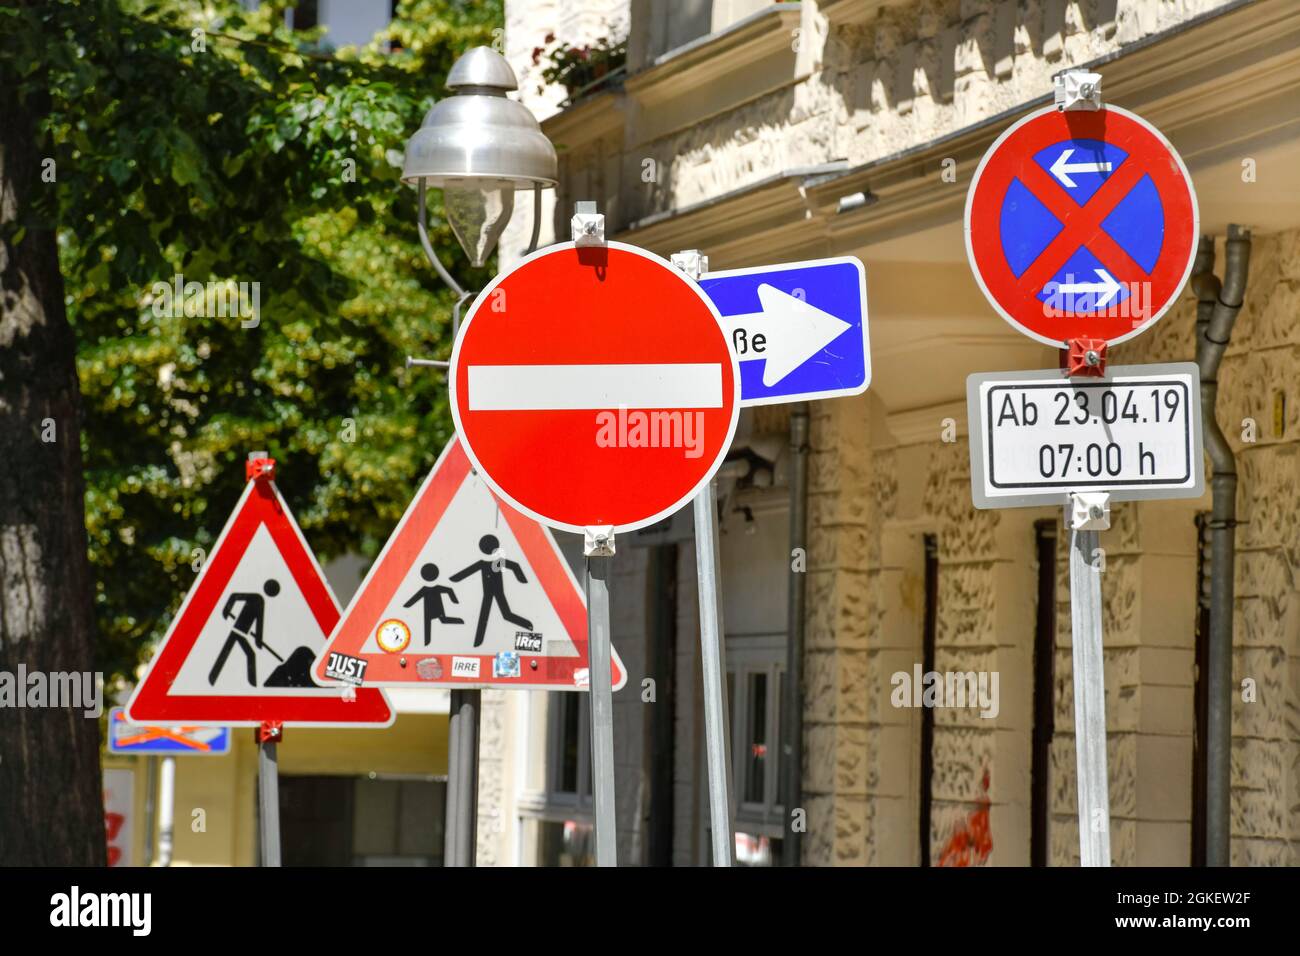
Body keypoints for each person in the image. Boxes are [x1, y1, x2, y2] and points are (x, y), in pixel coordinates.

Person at [450, 535, 533, 648]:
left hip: (497, 592)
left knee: (503, 615)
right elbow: (466, 572)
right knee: (490, 615)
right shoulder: (487, 563)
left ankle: (527, 625)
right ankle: (477, 642)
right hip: (488, 594)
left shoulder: (495, 563)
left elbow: (514, 566)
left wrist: (522, 580)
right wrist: (454, 579)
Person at [209, 578, 279, 686]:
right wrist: (226, 610)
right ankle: (212, 678)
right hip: (237, 630)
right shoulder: (256, 597)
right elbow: (234, 596)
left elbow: (259, 623)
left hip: (242, 633)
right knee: (243, 653)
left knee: (232, 652)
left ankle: (213, 678)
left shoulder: (260, 600)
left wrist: (258, 641)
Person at [402, 563, 464, 646]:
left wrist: (454, 600)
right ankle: (427, 643)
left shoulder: (427, 589)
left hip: (434, 610)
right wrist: (406, 605)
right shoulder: (428, 589)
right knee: (432, 624)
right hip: (430, 610)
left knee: (440, 621)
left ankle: (460, 621)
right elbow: (449, 590)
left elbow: (449, 590)